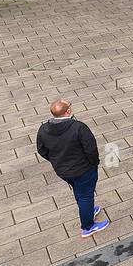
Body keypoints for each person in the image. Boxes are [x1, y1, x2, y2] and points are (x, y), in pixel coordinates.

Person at [36, 99, 109, 238]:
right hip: (83, 169)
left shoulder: (43, 129)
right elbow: (91, 149)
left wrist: (56, 160)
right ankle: (88, 226)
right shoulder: (78, 127)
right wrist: (94, 163)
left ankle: (86, 210)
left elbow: (41, 149)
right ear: (68, 111)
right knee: (86, 195)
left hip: (63, 171)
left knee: (78, 190)